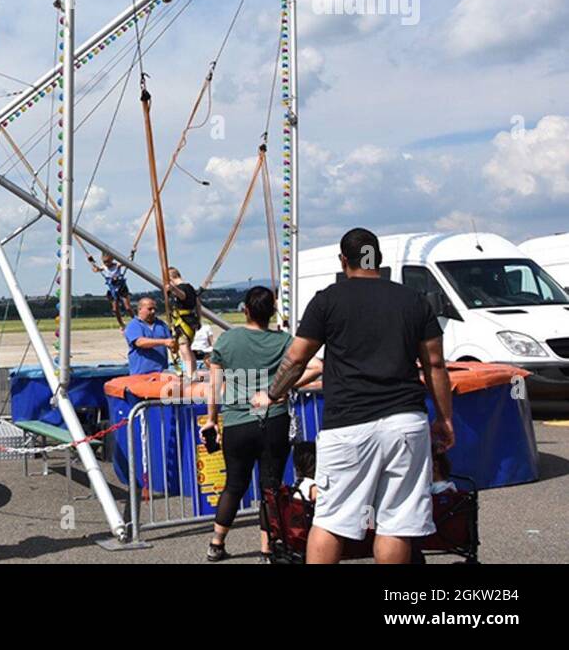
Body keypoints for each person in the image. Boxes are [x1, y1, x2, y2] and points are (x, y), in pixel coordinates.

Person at [252, 227, 454, 565]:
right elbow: (435, 364)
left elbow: (297, 358)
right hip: (405, 421)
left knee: (331, 520)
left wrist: (274, 394)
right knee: (396, 523)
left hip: (348, 423)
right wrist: (445, 419)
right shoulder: (413, 300)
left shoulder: (328, 299)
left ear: (343, 260)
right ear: (379, 259)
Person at [203, 286, 307, 561]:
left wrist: (212, 419)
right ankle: (267, 547)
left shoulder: (227, 340)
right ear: (272, 312)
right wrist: (280, 390)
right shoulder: (285, 341)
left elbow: (213, 386)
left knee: (234, 485)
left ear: (245, 309)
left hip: (237, 420)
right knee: (270, 487)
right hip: (273, 419)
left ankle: (216, 543)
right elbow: (316, 366)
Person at [122, 297, 174, 375]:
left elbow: (172, 344)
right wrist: (164, 342)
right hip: (141, 374)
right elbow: (140, 342)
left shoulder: (161, 325)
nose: (153, 311)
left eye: (154, 309)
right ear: (140, 309)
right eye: (149, 309)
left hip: (162, 372)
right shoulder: (134, 325)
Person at [167, 268, 202, 373]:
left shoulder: (183, 288)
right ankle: (192, 372)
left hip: (184, 321)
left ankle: (190, 373)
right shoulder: (190, 288)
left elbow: (182, 296)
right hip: (189, 320)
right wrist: (199, 319)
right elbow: (198, 304)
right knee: (186, 348)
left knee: (184, 347)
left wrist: (173, 289)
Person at [89, 252, 133, 325]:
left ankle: (136, 320)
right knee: (115, 309)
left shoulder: (117, 265)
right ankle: (121, 324)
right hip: (112, 289)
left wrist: (131, 254)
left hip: (121, 287)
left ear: (112, 259)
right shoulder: (104, 267)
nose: (106, 263)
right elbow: (96, 270)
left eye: (108, 261)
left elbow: (127, 262)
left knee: (127, 307)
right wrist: (91, 261)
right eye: (104, 262)